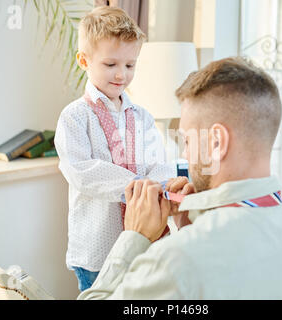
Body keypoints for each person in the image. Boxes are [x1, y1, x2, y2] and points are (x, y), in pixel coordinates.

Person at [77, 56, 282, 300]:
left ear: (217, 142)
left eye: (187, 140)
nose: (185, 153)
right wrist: (192, 227)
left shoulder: (176, 260)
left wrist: (134, 237)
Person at [54, 6, 176, 292]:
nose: (121, 74)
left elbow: (160, 162)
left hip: (142, 248)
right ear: (84, 60)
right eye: (111, 65)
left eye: (130, 65)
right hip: (97, 251)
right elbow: (82, 172)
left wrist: (158, 184)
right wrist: (139, 188)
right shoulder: (75, 117)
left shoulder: (142, 116)